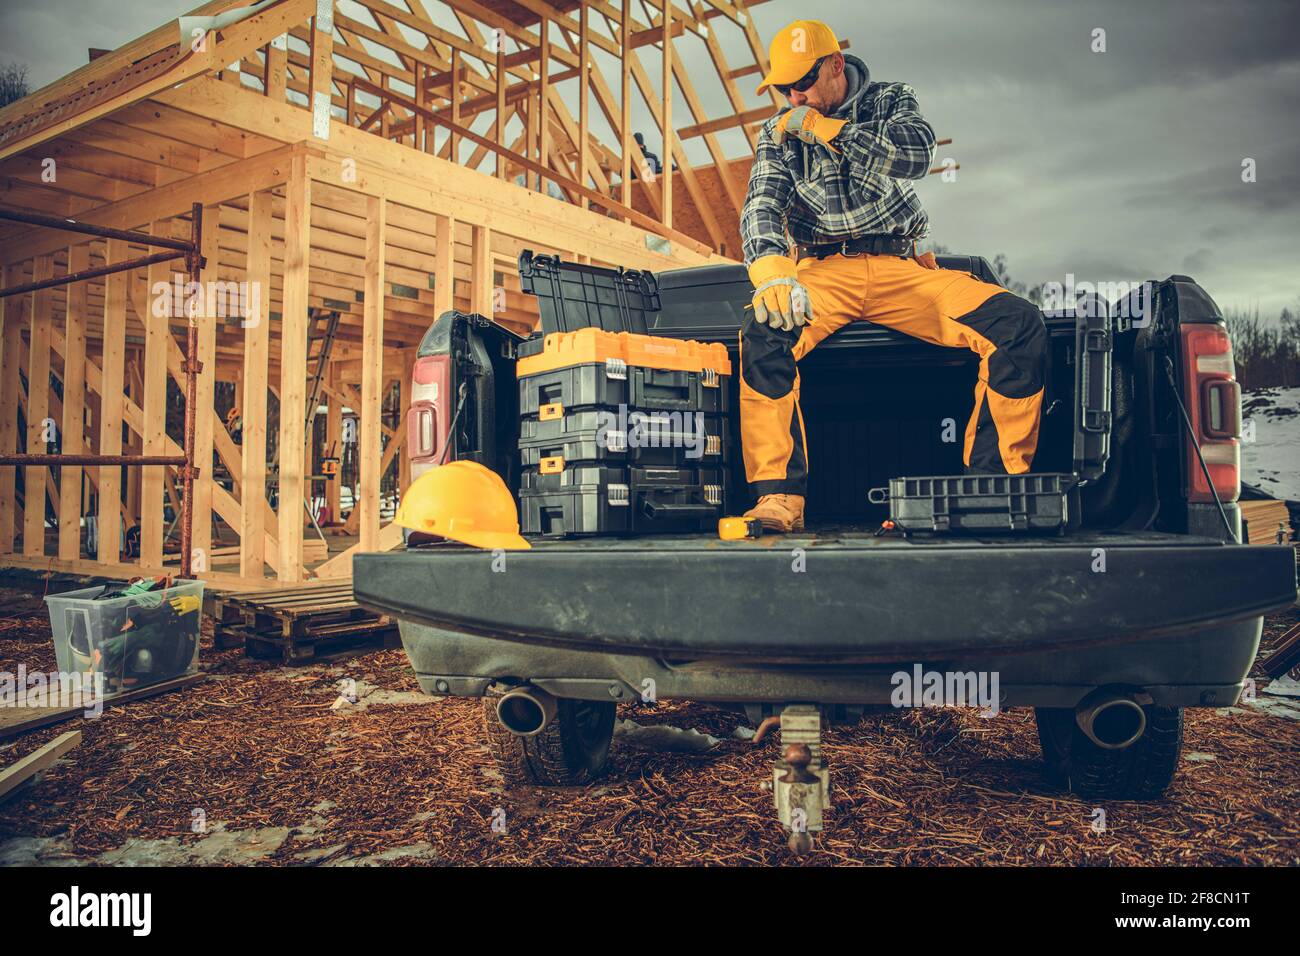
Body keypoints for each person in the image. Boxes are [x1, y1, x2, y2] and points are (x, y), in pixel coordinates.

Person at [739, 20, 1049, 532]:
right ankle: (779, 500)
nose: (794, 96)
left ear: (836, 65)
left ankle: (993, 493)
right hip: (822, 271)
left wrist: (828, 131)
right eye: (784, 87)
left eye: (804, 81)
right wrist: (773, 272)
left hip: (902, 270)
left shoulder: (890, 100)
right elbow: (762, 205)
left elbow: (915, 155)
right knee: (764, 329)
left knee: (1016, 324)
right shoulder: (776, 132)